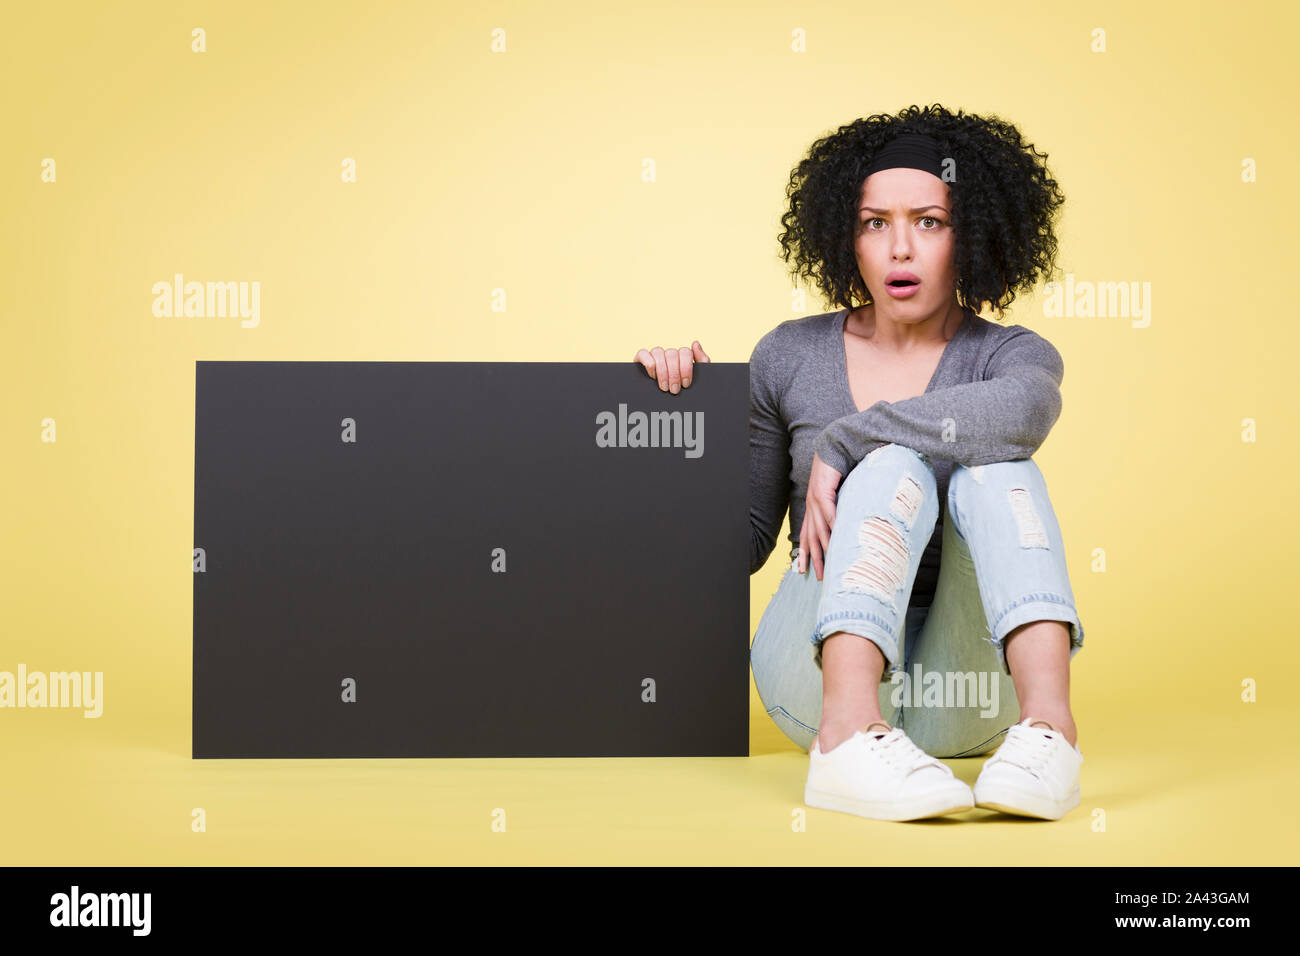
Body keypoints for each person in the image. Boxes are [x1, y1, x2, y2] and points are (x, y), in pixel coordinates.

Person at [635, 104, 1085, 823]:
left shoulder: (1010, 356)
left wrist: (848, 440)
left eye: (929, 222)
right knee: (890, 470)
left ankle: (1049, 735)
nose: (900, 249)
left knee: (998, 467)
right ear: (846, 237)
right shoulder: (788, 354)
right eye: (876, 222)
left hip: (963, 693)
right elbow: (737, 546)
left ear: (971, 235)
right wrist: (681, 419)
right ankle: (846, 736)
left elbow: (1025, 413)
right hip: (809, 677)